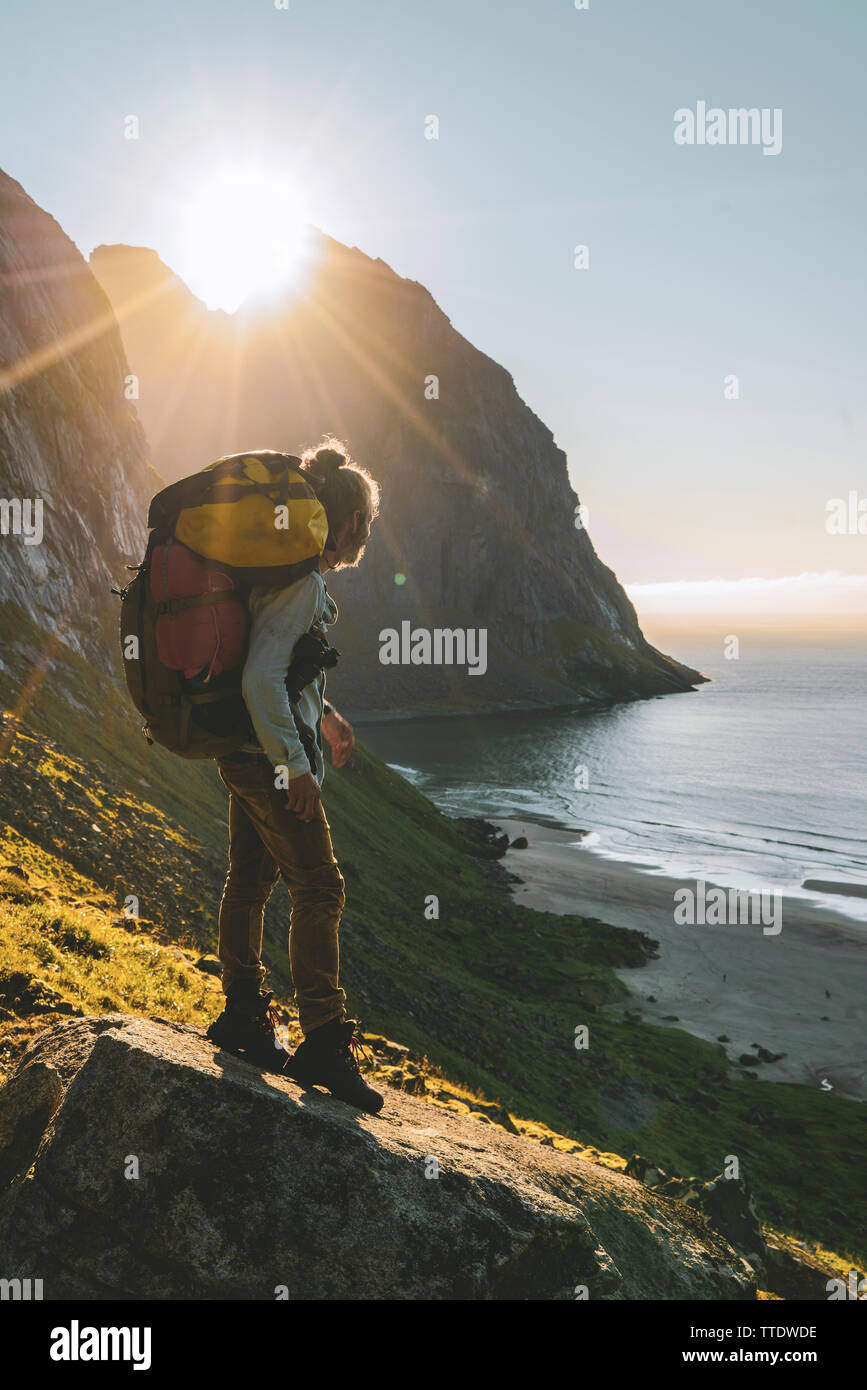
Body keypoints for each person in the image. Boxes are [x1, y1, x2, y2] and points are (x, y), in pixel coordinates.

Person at [206, 441, 383, 1113]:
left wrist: (328, 718)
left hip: (243, 752)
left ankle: (244, 1013)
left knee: (248, 882)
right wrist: (294, 766)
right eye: (364, 519)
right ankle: (323, 1041)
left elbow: (277, 667)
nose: (368, 532)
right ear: (344, 522)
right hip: (266, 759)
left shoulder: (281, 575)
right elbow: (261, 678)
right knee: (320, 886)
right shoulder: (303, 583)